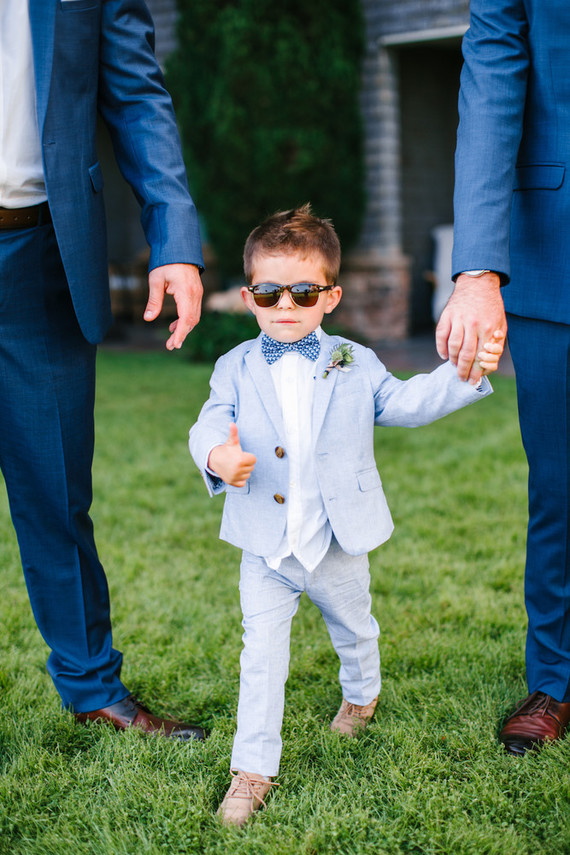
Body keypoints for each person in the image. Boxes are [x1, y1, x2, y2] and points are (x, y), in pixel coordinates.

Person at [189, 204, 502, 825]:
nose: (285, 304)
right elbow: (207, 421)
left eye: (302, 291)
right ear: (248, 297)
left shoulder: (355, 361)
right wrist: (216, 455)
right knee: (261, 657)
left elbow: (407, 403)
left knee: (354, 631)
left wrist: (466, 372)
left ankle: (361, 698)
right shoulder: (235, 366)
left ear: (329, 296)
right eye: (268, 291)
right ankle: (251, 771)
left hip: (336, 540)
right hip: (268, 548)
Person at [0, 1, 205, 739]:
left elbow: (138, 91)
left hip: (37, 257)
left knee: (55, 491)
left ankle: (91, 688)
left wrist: (173, 236)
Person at [436, 0, 570, 757]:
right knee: (560, 485)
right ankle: (557, 674)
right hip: (560, 245)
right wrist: (479, 268)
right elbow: (491, 83)